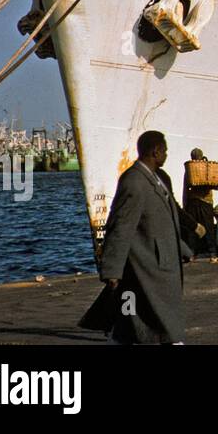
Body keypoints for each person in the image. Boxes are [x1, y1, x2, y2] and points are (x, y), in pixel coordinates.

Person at [80, 130, 187, 344]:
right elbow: (121, 226)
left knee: (142, 319)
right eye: (164, 150)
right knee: (152, 319)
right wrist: (112, 270)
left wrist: (183, 249)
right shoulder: (135, 181)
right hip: (147, 265)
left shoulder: (156, 178)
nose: (166, 155)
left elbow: (162, 222)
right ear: (155, 151)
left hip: (159, 263)